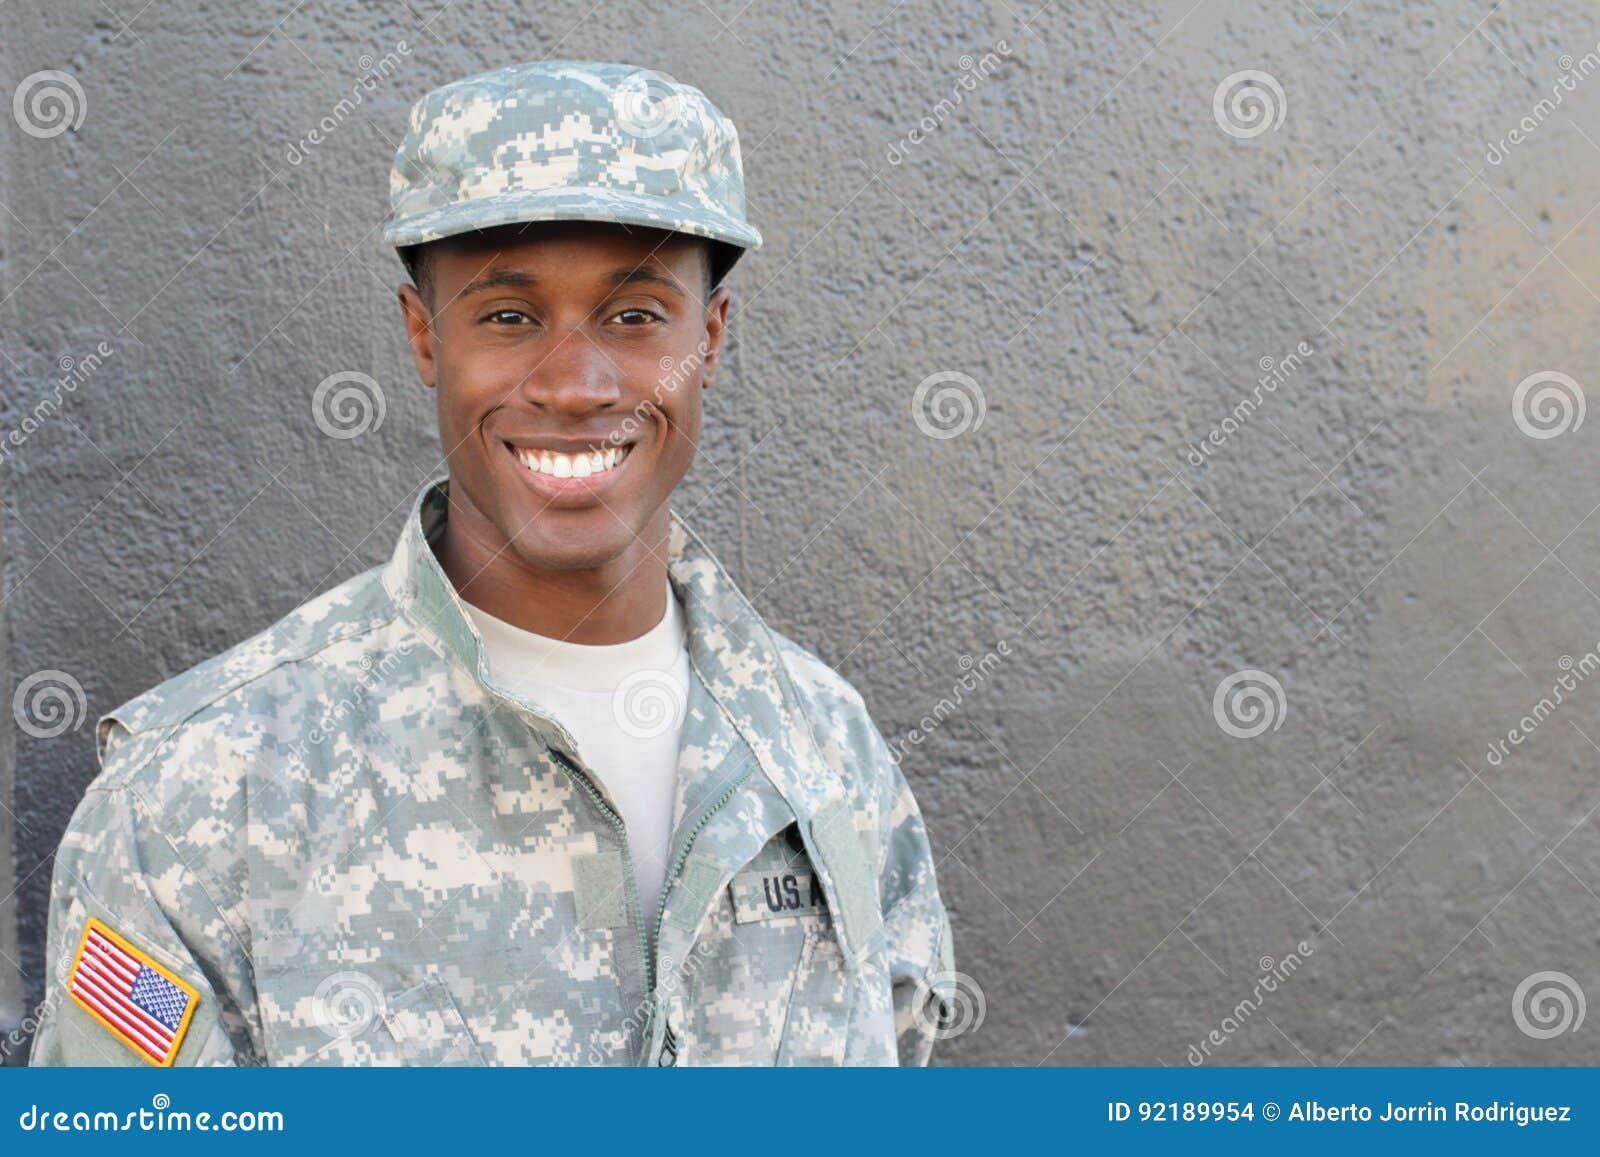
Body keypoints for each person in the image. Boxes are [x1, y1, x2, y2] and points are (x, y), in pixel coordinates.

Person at [29, 59, 954, 1067]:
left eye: (636, 316)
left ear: (712, 338)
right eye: (509, 317)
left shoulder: (826, 757)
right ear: (424, 336)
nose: (575, 384)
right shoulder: (199, 796)